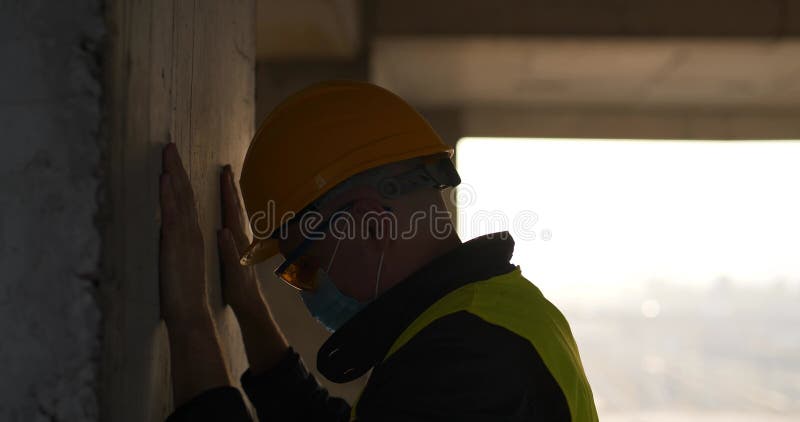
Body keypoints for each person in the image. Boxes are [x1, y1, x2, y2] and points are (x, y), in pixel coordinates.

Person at [159, 80, 598, 421]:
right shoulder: (488, 320)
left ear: (369, 225)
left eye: (303, 268)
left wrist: (190, 322)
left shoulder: (465, 360)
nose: (304, 289)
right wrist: (249, 308)